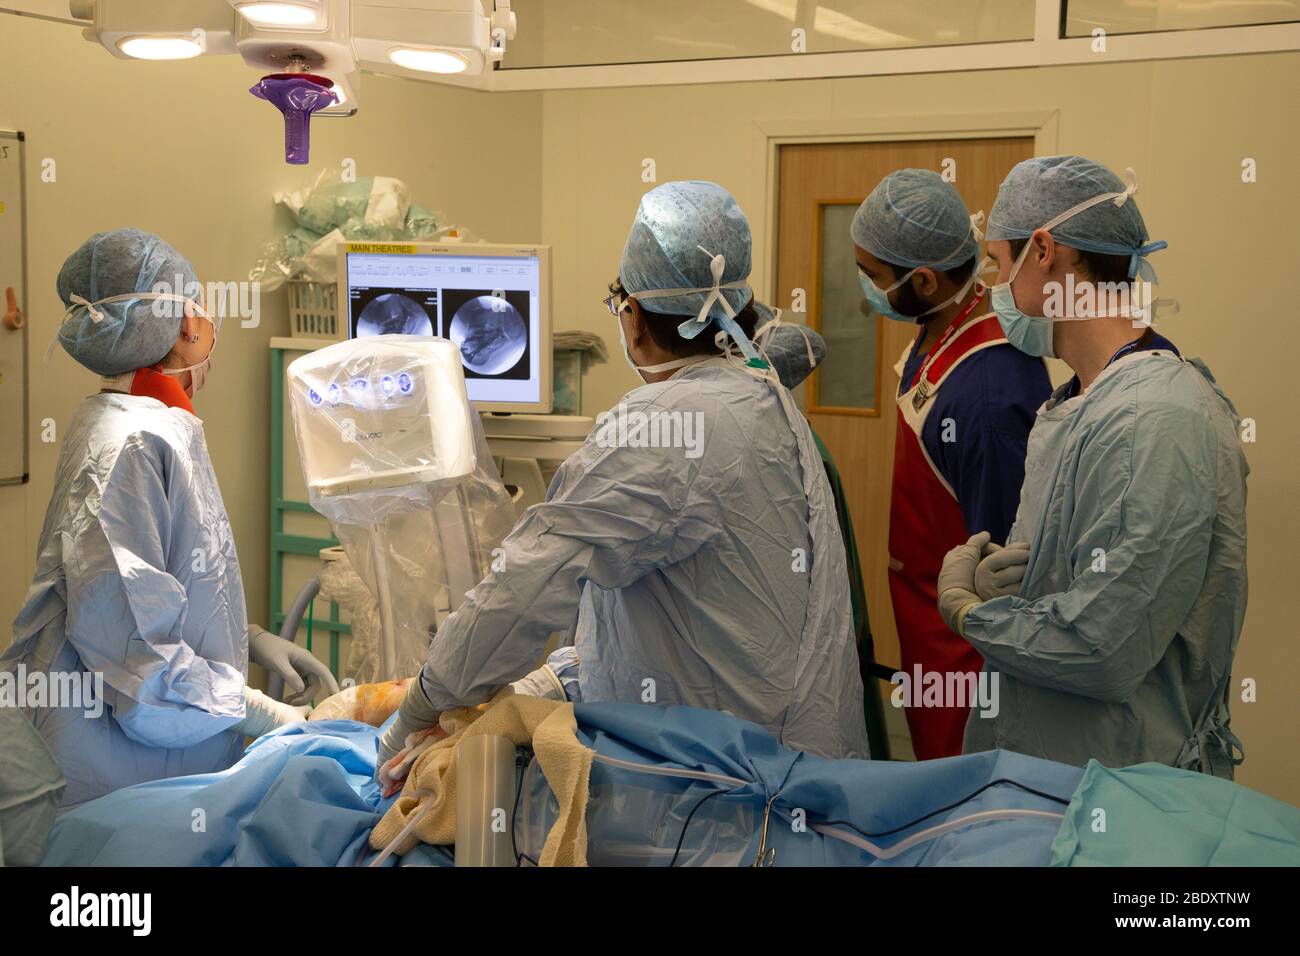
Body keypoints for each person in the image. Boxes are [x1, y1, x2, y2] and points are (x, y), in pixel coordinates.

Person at [379, 182, 870, 769]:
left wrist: (416, 711)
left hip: (711, 798)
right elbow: (672, 621)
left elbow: (522, 593)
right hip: (791, 767)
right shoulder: (765, 399)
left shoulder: (659, 429)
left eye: (619, 303)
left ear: (633, 318)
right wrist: (541, 687)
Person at [2, 228, 337, 810]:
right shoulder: (134, 442)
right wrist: (257, 709)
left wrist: (246, 639)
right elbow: (137, 659)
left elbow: (154, 582)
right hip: (113, 776)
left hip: (145, 759)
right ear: (186, 324)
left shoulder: (125, 422)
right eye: (202, 311)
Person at [937, 156, 1248, 777]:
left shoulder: (1154, 419)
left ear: (1045, 250)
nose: (995, 288)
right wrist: (1021, 584)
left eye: (999, 263)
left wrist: (975, 613)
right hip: (1056, 766)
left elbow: (1103, 647)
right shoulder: (1080, 401)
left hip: (1122, 787)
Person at [852, 169, 1051, 759]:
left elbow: (1005, 566)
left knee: (966, 801)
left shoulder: (987, 390)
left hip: (967, 655)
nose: (866, 289)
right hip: (927, 630)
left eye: (874, 278)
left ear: (924, 278)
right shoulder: (942, 326)